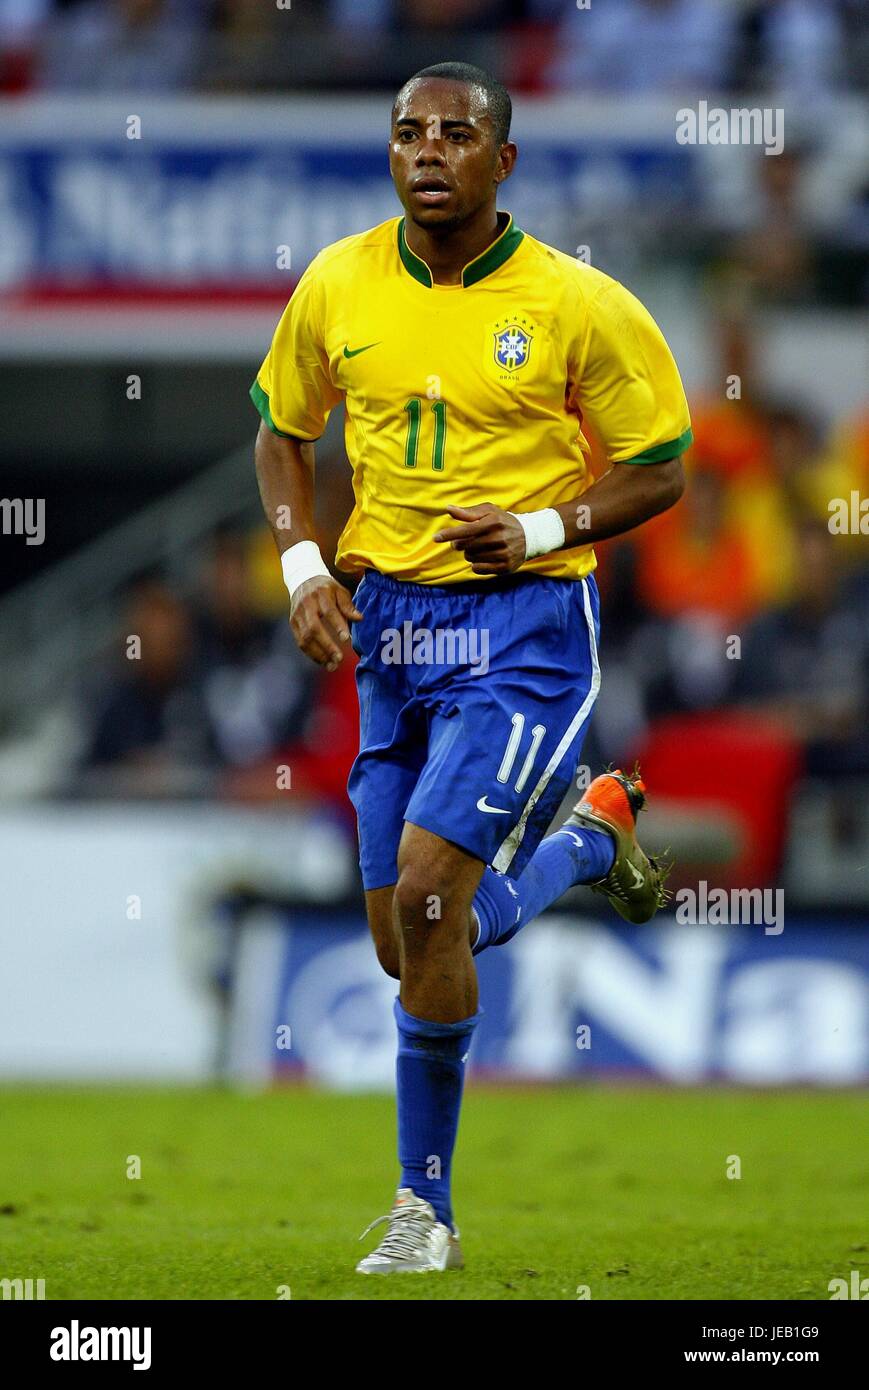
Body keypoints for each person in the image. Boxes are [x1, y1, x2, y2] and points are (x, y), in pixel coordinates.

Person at [251, 62, 691, 1274]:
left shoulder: (576, 302)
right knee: (407, 938)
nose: (427, 151)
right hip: (389, 630)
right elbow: (282, 434)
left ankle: (421, 1211)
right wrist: (302, 570)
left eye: (455, 133)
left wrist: (545, 528)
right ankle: (590, 842)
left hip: (526, 630)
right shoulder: (337, 283)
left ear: (503, 161)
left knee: (429, 886)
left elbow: (661, 462)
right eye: (406, 134)